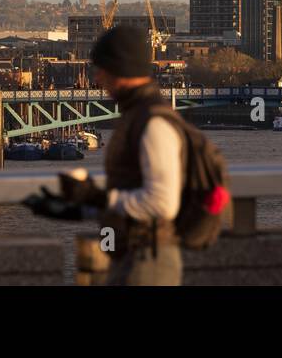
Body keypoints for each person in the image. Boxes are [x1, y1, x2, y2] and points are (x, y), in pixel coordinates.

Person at [28, 25, 188, 285]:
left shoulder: (153, 123)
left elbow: (162, 204)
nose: (98, 78)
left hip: (148, 263)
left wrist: (99, 197)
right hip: (131, 257)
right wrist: (79, 208)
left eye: (102, 69)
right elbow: (131, 193)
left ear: (121, 69)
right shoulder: (136, 117)